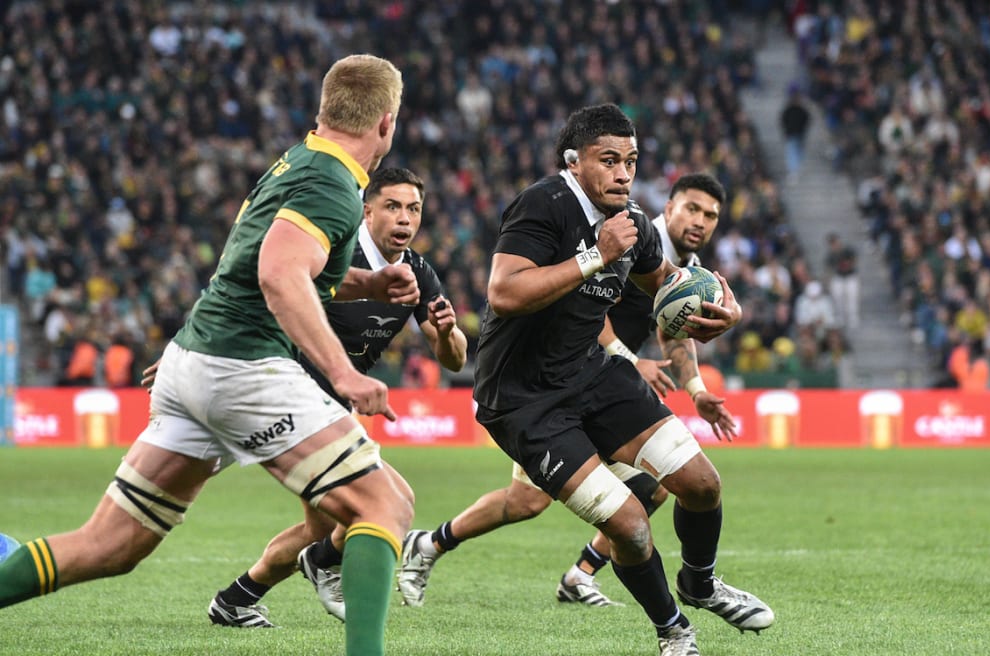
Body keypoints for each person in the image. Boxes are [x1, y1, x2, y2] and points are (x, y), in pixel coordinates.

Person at [0, 54, 415, 656]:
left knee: (110, 545)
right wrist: (343, 371)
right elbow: (278, 274)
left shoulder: (301, 161)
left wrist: (368, 284)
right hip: (243, 366)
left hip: (194, 359)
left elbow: (275, 262)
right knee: (385, 503)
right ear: (386, 122)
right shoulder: (332, 185)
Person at [465, 104, 771, 656]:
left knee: (702, 485)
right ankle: (674, 632)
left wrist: (721, 311)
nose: (624, 173)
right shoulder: (543, 204)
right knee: (629, 525)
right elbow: (504, 293)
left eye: (630, 161)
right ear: (574, 161)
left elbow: (668, 285)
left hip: (591, 374)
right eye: (609, 161)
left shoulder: (633, 220)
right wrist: (594, 256)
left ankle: (699, 583)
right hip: (523, 400)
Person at [397, 173, 738, 611]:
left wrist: (695, 389)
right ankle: (433, 544)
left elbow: (673, 331)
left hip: (592, 385)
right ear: (668, 208)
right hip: (550, 385)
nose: (701, 221)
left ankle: (575, 573)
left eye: (710, 215)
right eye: (692, 208)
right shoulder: (627, 234)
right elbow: (588, 311)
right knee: (535, 500)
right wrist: (631, 361)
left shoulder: (681, 269)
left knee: (575, 497)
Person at [203, 166, 468, 628]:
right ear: (367, 211)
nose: (405, 218)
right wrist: (199, 344)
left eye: (414, 209)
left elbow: (455, 361)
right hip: (289, 395)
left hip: (331, 408)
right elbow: (258, 292)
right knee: (388, 503)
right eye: (392, 207)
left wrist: (446, 333)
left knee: (325, 526)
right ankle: (322, 564)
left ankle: (238, 598)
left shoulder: (418, 272)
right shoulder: (330, 254)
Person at [779, 84, 811, 184]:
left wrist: (802, 129)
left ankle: (796, 170)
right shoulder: (788, 110)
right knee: (792, 152)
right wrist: (786, 131)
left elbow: (807, 119)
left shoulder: (801, 110)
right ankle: (794, 171)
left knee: (798, 152)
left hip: (799, 134)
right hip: (791, 134)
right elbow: (783, 120)